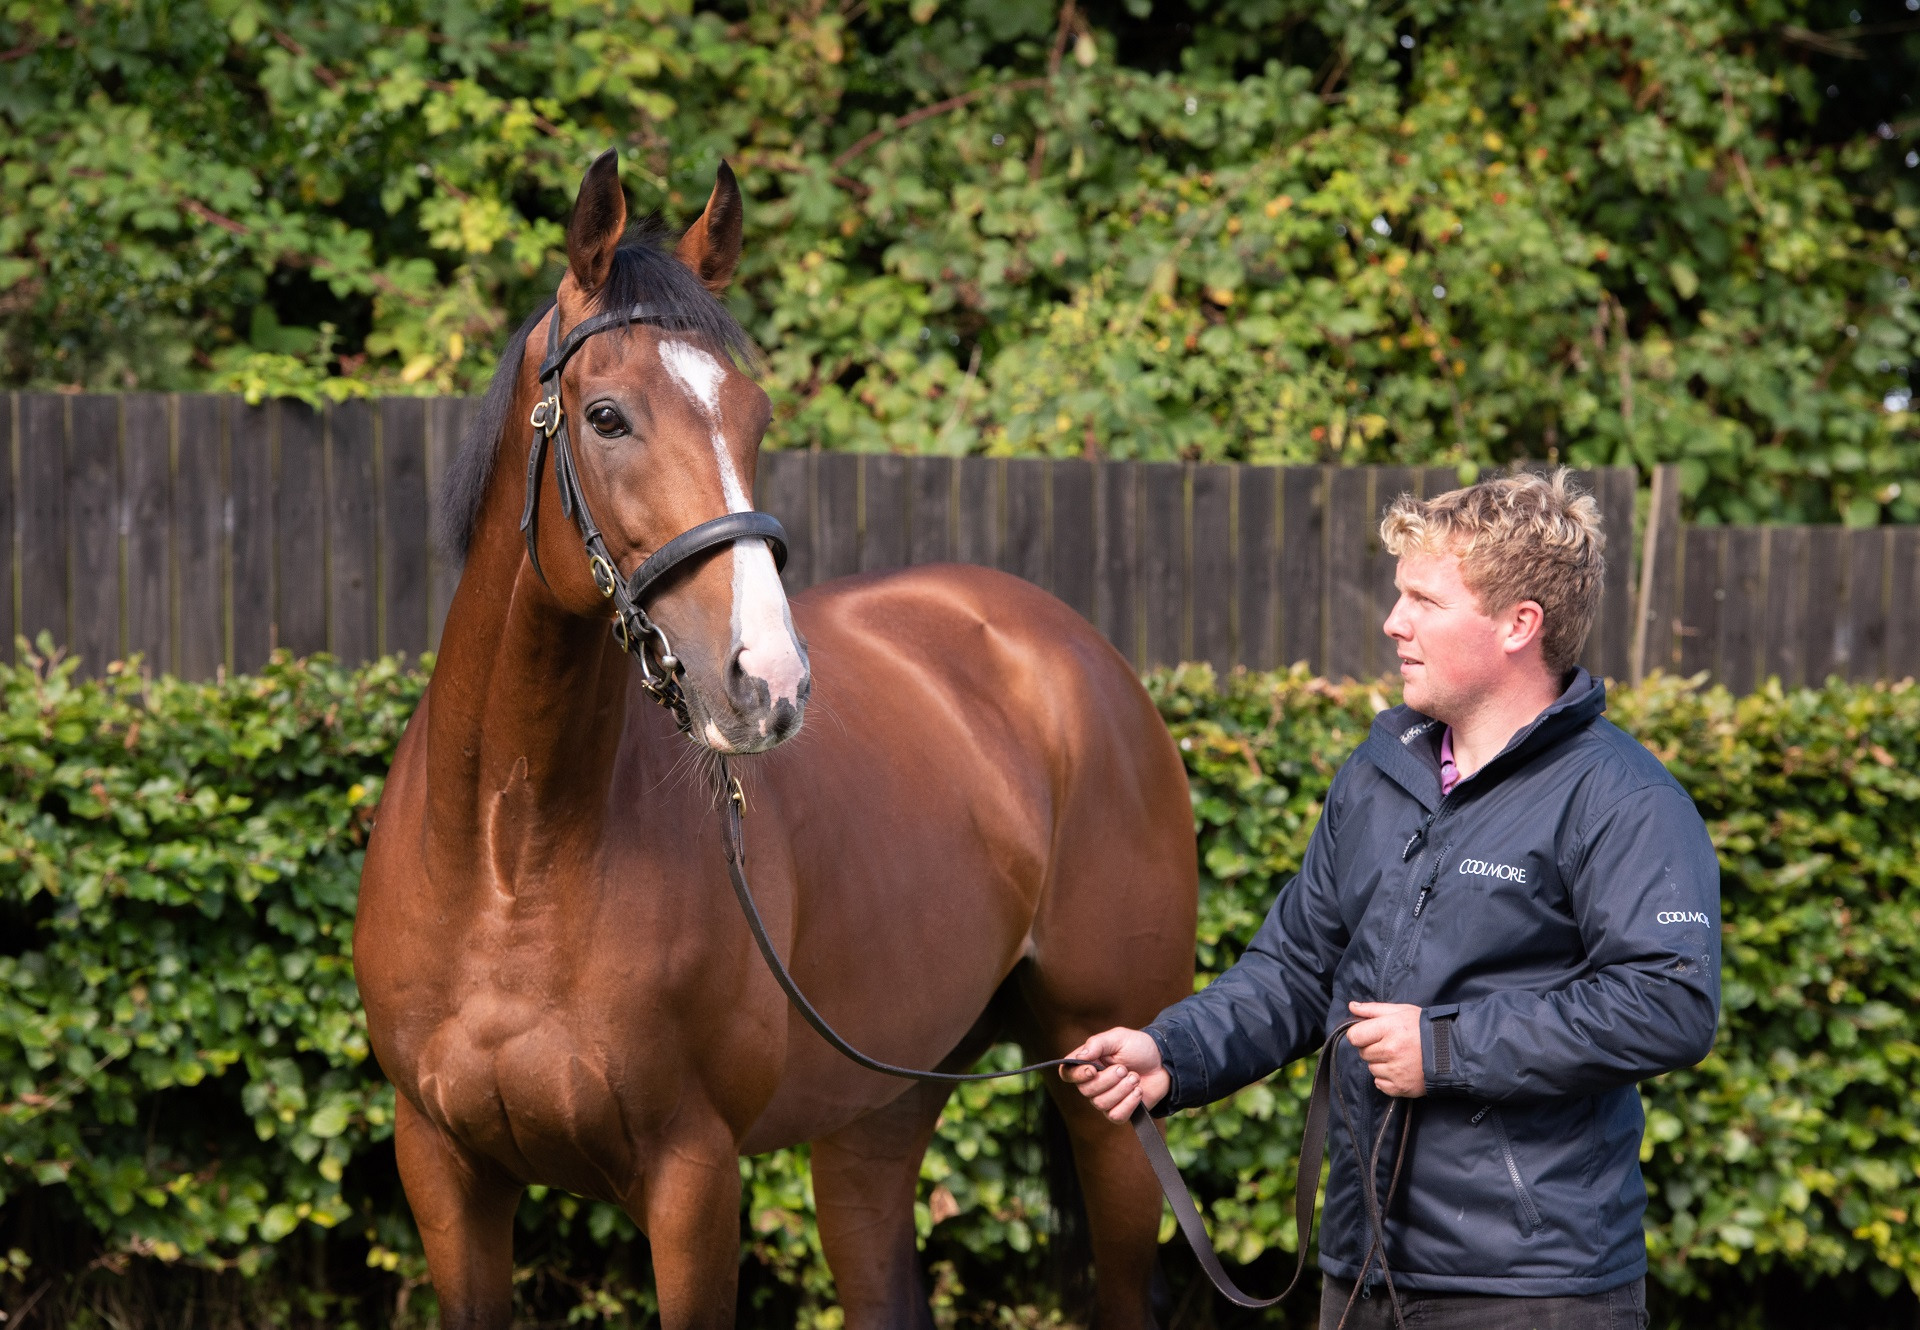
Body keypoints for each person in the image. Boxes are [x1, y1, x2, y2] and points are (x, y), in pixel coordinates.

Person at [1065, 469, 1720, 1330]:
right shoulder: (1379, 776)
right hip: (1361, 1273)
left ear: (1520, 624)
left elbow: (1669, 1002)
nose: (1393, 622)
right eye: (1398, 595)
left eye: (1424, 599)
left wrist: (1442, 1049)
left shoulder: (1622, 797)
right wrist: (1173, 1053)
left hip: (1534, 1293)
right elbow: (1298, 970)